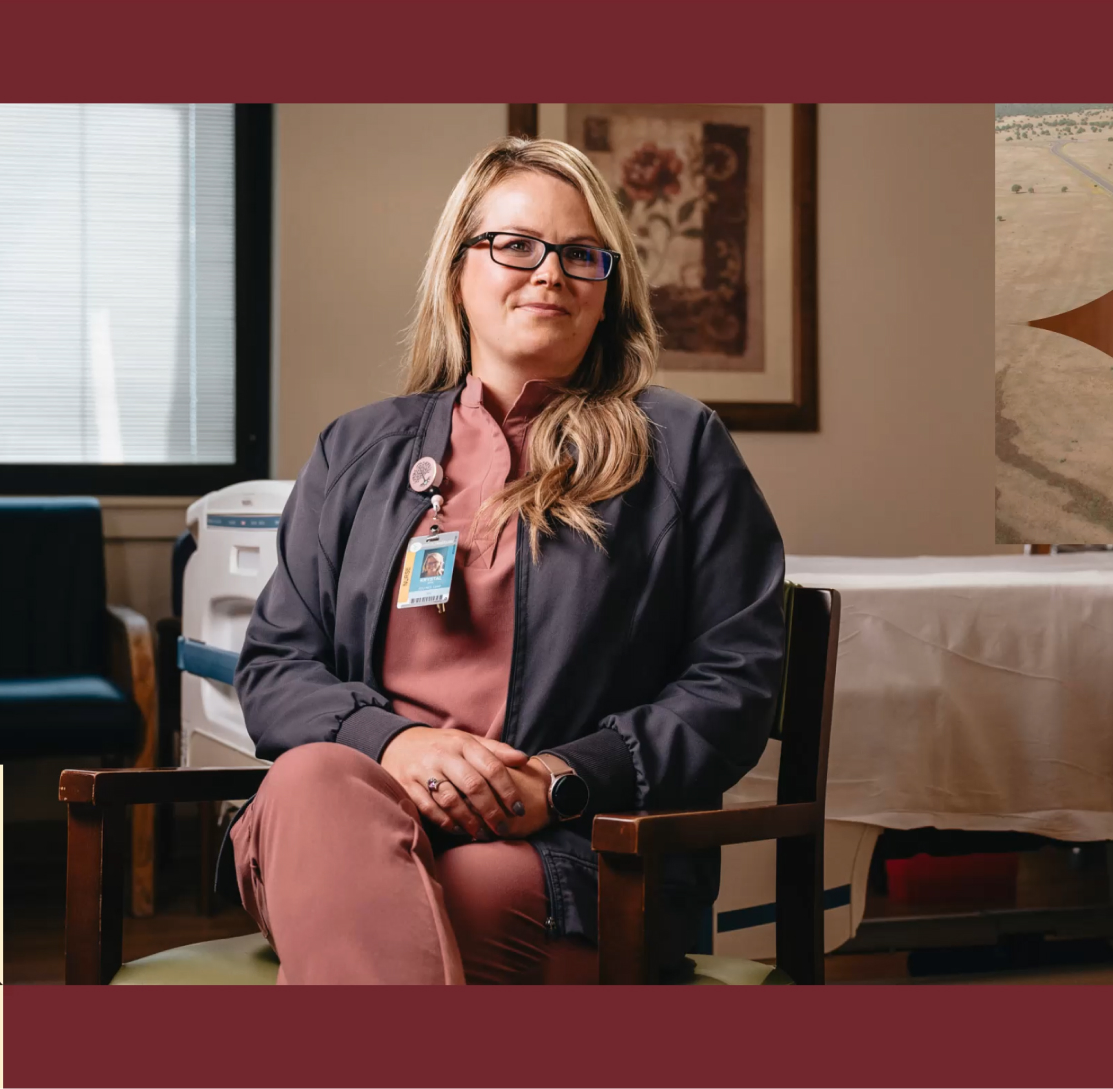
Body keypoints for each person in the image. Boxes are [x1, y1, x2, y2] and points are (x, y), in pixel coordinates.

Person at [228, 136, 787, 984]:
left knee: (462, 887)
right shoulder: (357, 449)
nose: (550, 273)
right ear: (458, 272)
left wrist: (562, 780)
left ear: (610, 292)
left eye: (580, 255)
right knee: (311, 781)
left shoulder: (681, 449)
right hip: (356, 815)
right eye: (516, 245)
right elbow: (276, 668)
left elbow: (734, 683)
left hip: (574, 851)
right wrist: (396, 742)